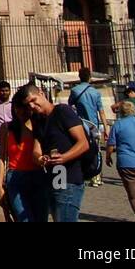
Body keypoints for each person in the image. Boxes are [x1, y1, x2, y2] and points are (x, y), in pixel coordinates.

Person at [23, 83, 89, 222]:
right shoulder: (37, 119)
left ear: (41, 93)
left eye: (33, 101)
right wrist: (39, 158)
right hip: (52, 180)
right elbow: (36, 149)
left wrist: (64, 157)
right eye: (28, 105)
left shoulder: (62, 111)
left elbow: (83, 143)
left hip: (69, 179)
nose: (32, 107)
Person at [0, 87, 47, 222]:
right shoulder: (6, 128)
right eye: (17, 108)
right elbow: (2, 157)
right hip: (16, 178)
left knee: (41, 218)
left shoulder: (39, 126)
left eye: (24, 107)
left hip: (39, 177)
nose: (20, 111)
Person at [68, 68, 107, 186]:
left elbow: (70, 105)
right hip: (94, 124)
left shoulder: (74, 90)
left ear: (79, 77)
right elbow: (101, 111)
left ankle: (84, 173)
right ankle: (96, 177)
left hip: (80, 124)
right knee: (96, 150)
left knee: (81, 148)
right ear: (90, 77)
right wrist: (106, 127)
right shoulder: (95, 92)